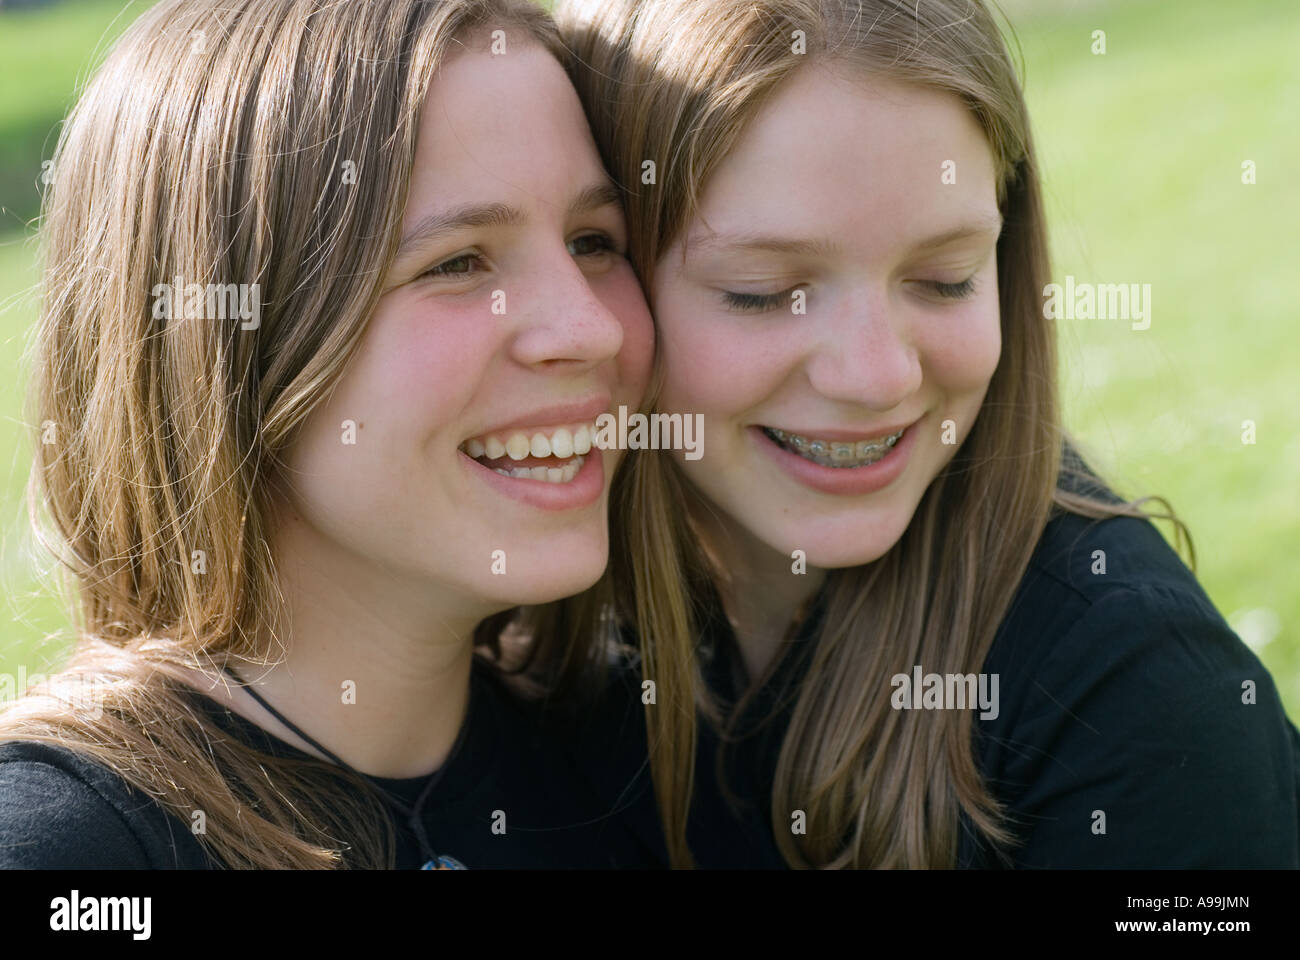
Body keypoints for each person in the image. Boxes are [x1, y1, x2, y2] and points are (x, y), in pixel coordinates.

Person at [556, 0, 1300, 867]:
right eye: (762, 290)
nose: (878, 377)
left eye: (945, 279)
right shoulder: (533, 615)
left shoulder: (1138, 698)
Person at [0, 0, 662, 869]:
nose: (591, 329)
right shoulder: (69, 851)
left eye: (593, 241)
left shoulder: (636, 769)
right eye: (458, 262)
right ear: (226, 344)